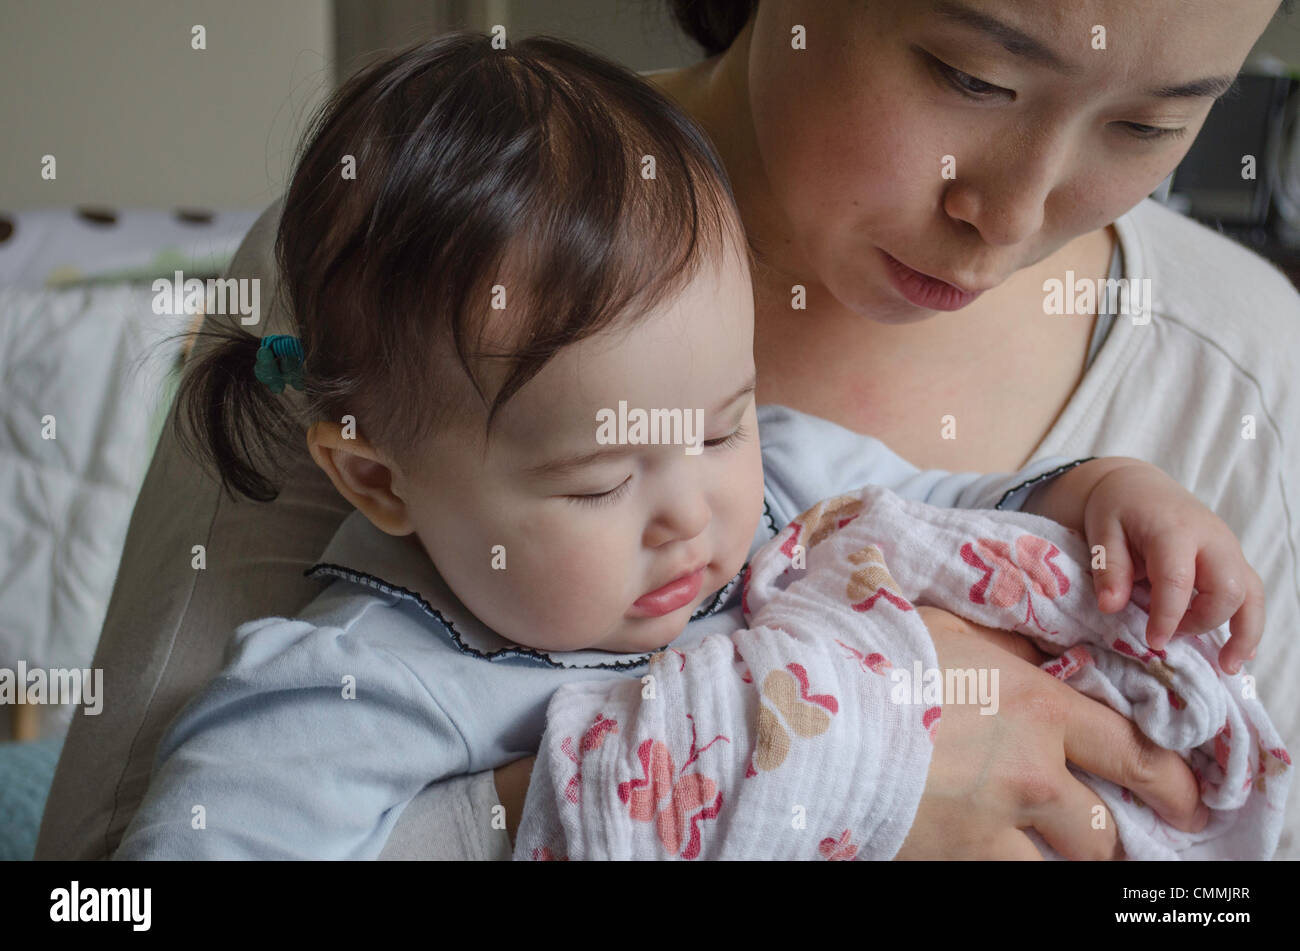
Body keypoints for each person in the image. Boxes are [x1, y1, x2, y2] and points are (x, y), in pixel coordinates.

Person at [37, 0, 1299, 861]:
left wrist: (1093, 491)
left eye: (1150, 123)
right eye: (970, 74)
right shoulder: (363, 674)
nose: (1011, 212)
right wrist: (798, 769)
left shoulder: (768, 475)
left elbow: (923, 507)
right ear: (374, 476)